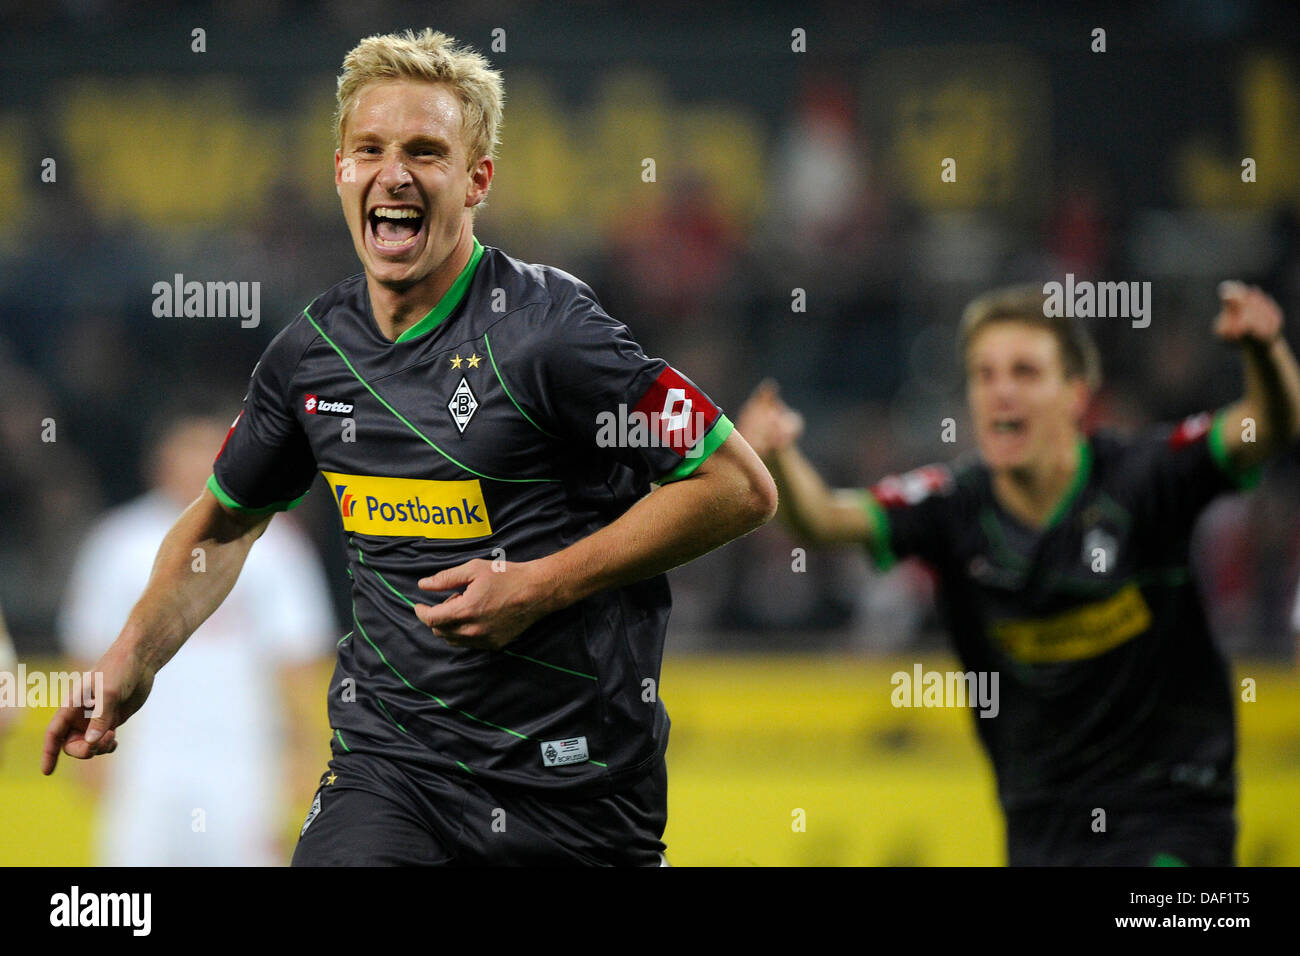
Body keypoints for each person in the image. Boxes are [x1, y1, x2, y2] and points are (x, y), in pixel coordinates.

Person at [42, 28, 777, 867]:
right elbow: (221, 527)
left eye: (426, 151)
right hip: (391, 771)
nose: (394, 172)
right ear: (342, 172)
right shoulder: (310, 356)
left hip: (575, 789)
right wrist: (132, 654)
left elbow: (736, 484)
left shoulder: (556, 334)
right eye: (371, 148)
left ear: (477, 180)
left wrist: (537, 584)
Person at [737, 281, 1300, 866]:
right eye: (985, 374)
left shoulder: (1144, 477)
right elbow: (825, 519)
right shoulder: (953, 506)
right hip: (1040, 828)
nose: (1001, 391)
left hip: (1168, 814)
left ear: (1076, 394)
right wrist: (778, 456)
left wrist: (1264, 349)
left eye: (1026, 372)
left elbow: (1269, 424)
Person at [57, 414, 334, 865]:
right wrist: (89, 746)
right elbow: (87, 648)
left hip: (244, 763)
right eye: (184, 452)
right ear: (159, 461)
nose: (194, 466)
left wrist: (304, 753)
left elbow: (298, 658)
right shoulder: (118, 541)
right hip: (143, 762)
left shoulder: (274, 542)